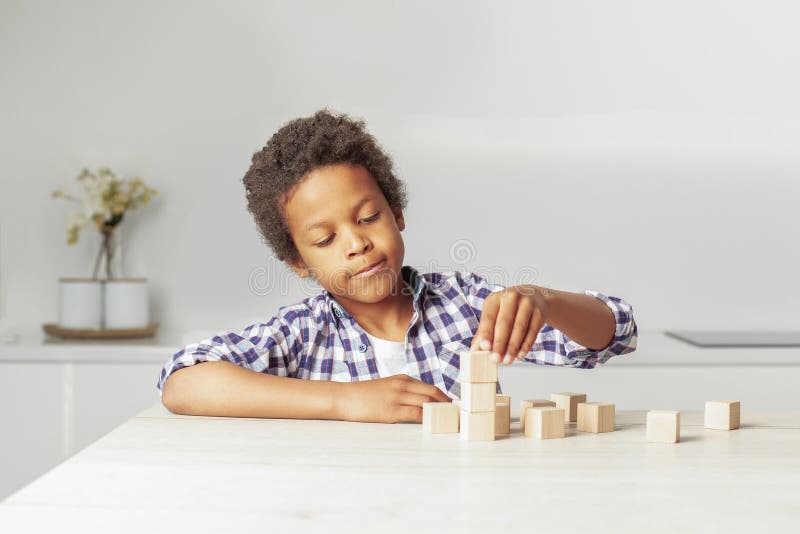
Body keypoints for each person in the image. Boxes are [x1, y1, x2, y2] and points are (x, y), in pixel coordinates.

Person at [157, 108, 638, 423]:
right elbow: (182, 383)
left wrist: (544, 300)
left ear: (397, 213)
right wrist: (344, 400)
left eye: (368, 217)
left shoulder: (467, 306)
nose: (357, 244)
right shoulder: (303, 333)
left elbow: (615, 333)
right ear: (298, 263)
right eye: (325, 239)